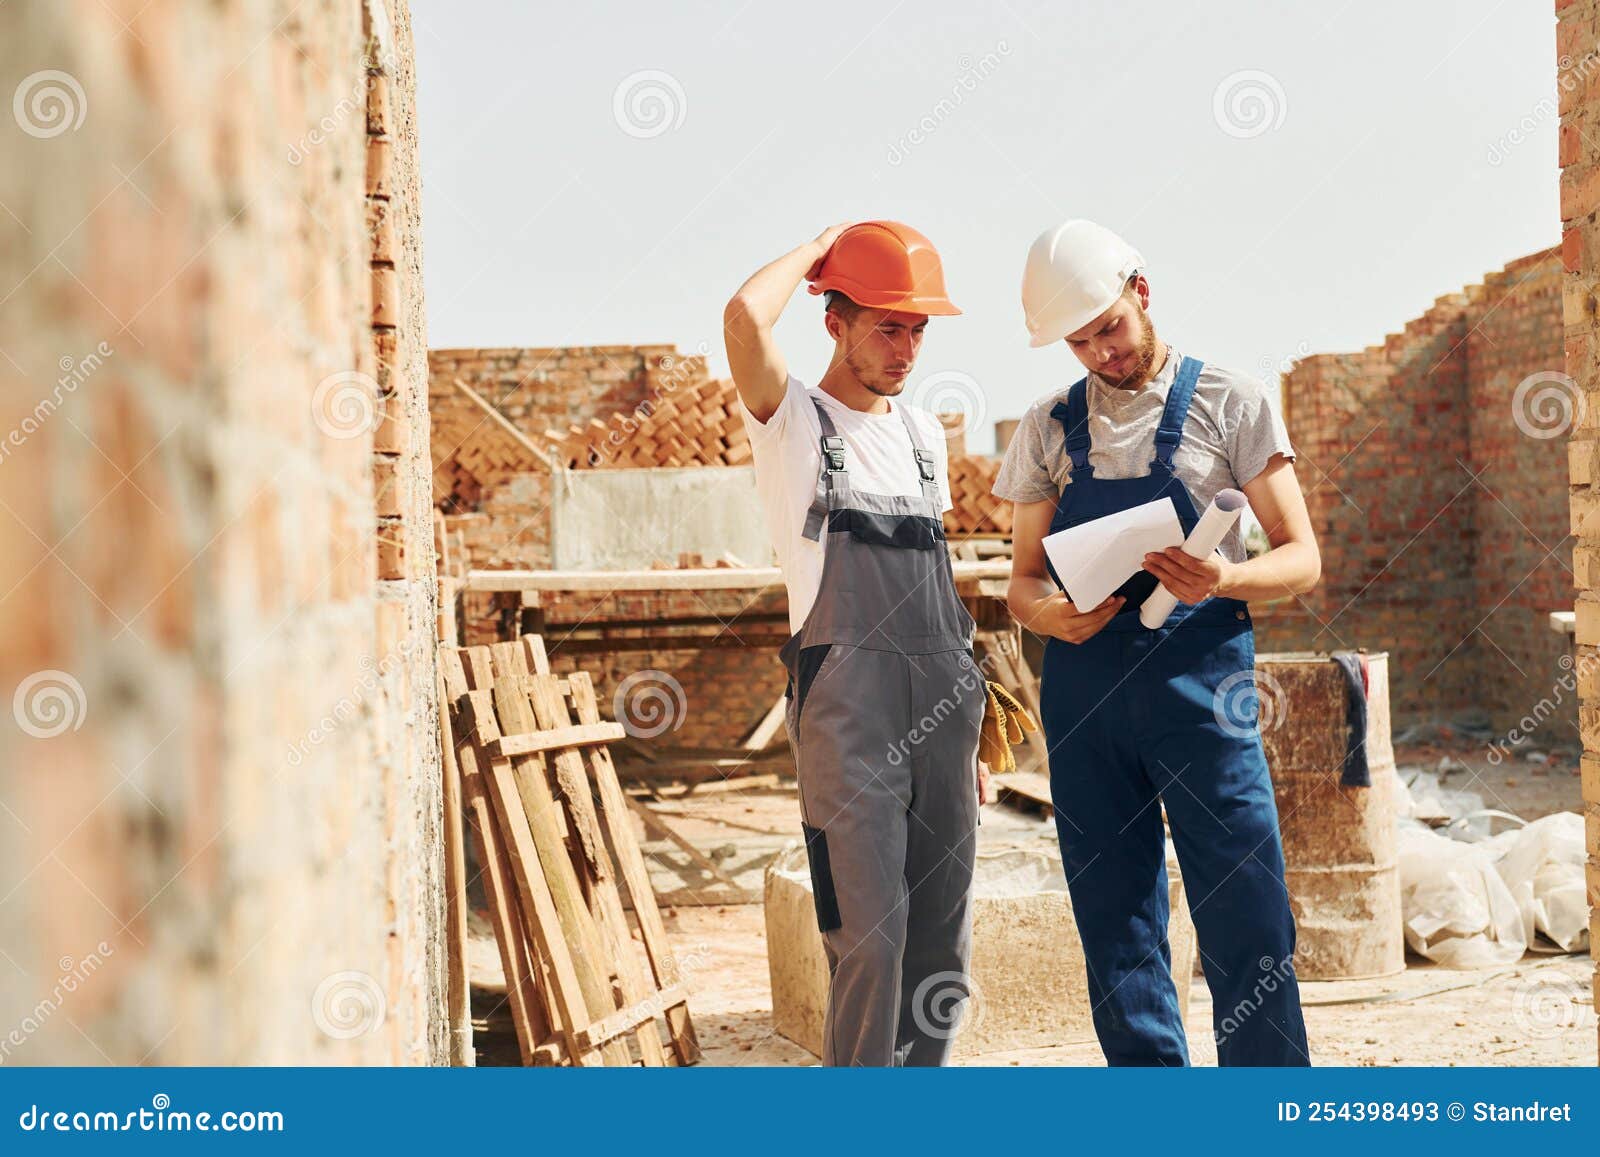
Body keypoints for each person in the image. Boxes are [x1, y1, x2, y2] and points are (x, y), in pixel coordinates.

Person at [994, 218, 1319, 1066]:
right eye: (1080, 342)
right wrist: (1049, 614)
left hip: (1203, 692)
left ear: (1142, 292)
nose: (1102, 352)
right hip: (1086, 696)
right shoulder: (1047, 428)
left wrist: (1225, 579)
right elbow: (1021, 582)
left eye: (1111, 327)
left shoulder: (1231, 400)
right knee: (1115, 919)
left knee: (1246, 906)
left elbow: (1303, 557)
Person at [723, 221, 985, 1066]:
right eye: (886, 325)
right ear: (833, 320)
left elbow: (943, 590)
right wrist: (820, 245)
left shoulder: (922, 441)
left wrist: (975, 729)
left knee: (940, 948)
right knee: (870, 940)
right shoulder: (793, 422)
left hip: (944, 710)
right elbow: (741, 318)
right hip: (850, 718)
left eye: (917, 329)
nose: (906, 348)